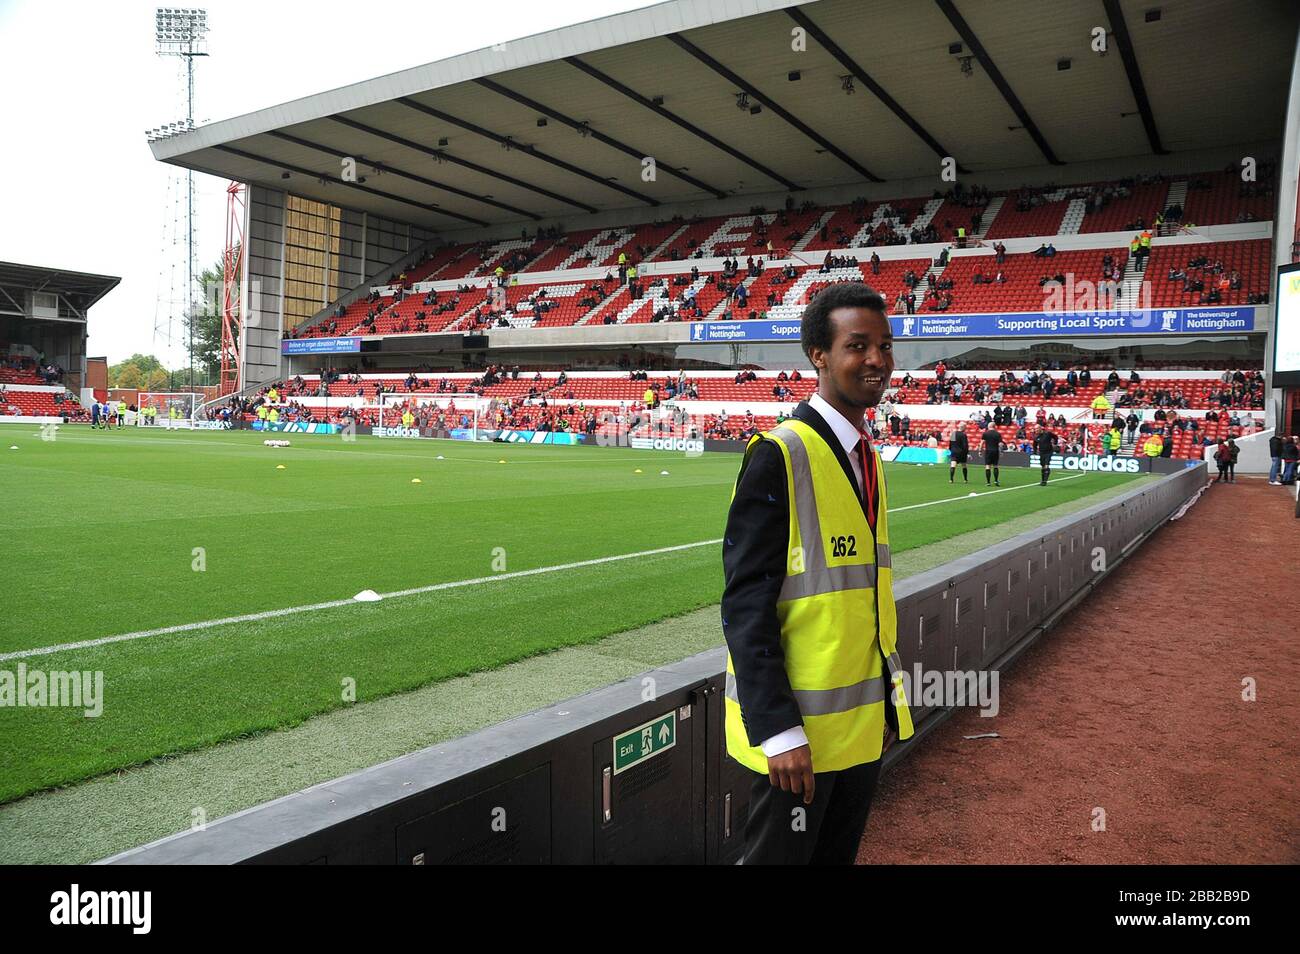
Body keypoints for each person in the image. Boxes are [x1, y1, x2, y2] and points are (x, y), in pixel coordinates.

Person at [721, 282, 915, 865]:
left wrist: (883, 706)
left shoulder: (869, 459)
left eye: (884, 345)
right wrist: (778, 731)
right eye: (858, 346)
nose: (877, 360)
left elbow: (863, 600)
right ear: (819, 356)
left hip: (856, 737)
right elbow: (745, 603)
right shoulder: (780, 453)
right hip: (797, 745)